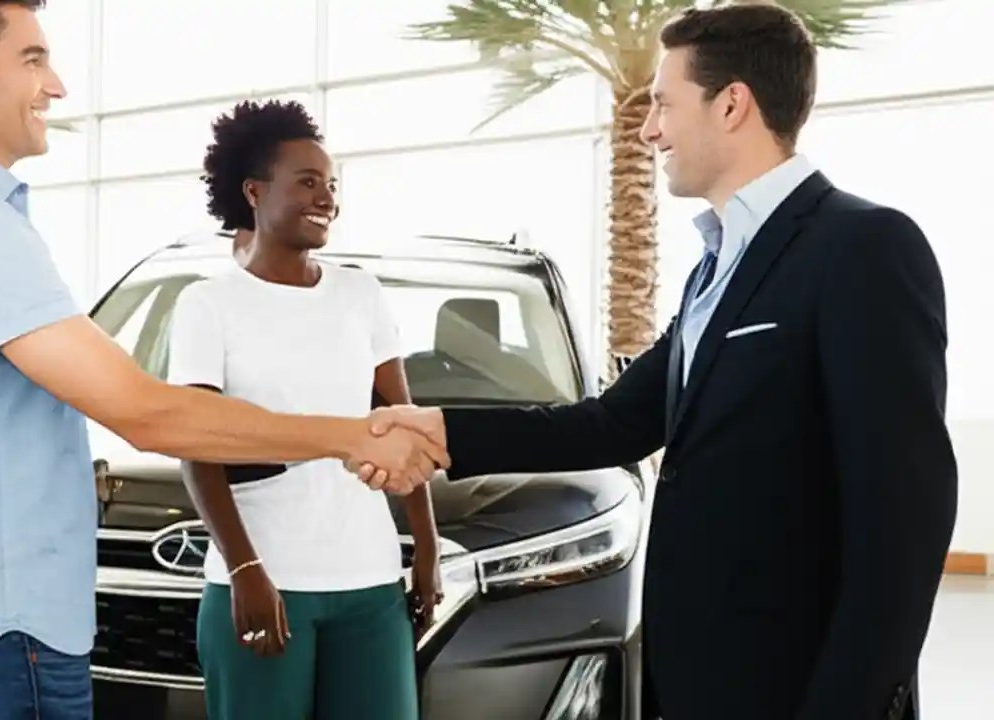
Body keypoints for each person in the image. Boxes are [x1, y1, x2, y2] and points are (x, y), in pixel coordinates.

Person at [364, 5, 957, 720]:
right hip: (703, 677)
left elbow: (905, 521)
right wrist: (434, 430)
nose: (649, 130)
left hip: (800, 688)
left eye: (663, 105)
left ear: (731, 103)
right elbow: (615, 423)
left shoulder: (863, 247)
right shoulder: (714, 268)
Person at [0, 2, 446, 718]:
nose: (57, 87)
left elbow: (58, 398)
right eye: (32, 60)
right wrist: (350, 434)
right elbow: (147, 411)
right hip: (4, 642)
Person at [165, 99, 440, 720]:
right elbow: (197, 448)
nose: (326, 198)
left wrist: (424, 547)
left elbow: (403, 424)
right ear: (255, 192)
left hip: (370, 583)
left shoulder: (359, 293)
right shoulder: (207, 304)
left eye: (331, 185)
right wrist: (245, 570)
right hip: (268, 580)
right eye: (307, 182)